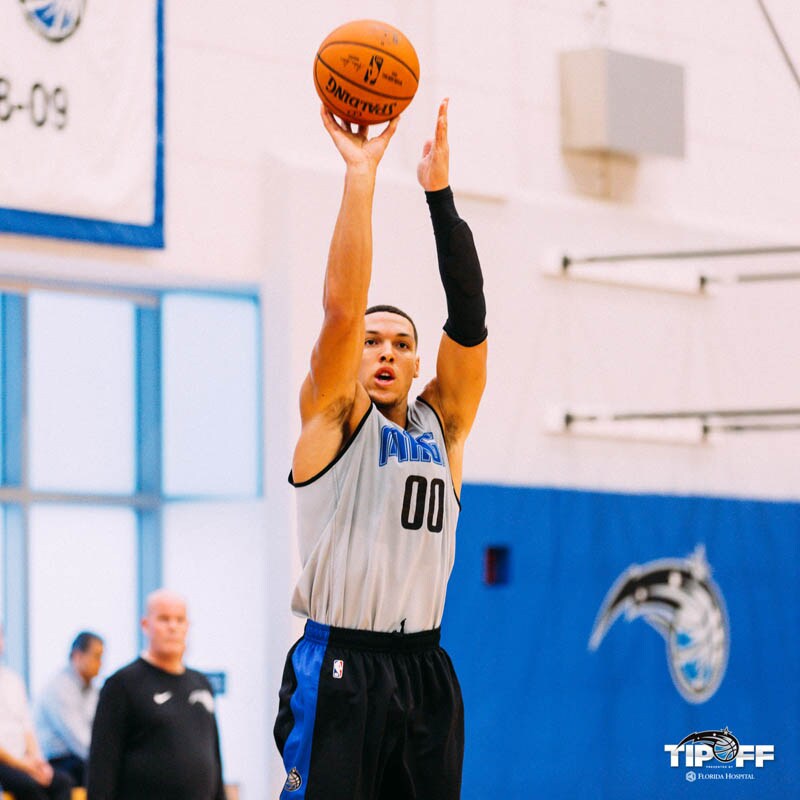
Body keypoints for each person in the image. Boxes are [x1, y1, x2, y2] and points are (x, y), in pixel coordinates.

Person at [273, 98, 487, 799]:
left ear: (418, 362)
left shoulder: (443, 426)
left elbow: (470, 318)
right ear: (353, 357)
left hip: (424, 667)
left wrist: (439, 198)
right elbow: (342, 308)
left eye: (401, 343)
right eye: (372, 342)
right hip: (342, 661)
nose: (386, 352)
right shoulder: (332, 417)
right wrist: (361, 175)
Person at [86, 589, 226, 800]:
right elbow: (102, 765)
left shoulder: (201, 684)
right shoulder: (122, 684)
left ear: (188, 626)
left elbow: (214, 757)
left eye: (179, 620)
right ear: (145, 625)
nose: (172, 627)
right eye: (164, 619)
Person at [0, 625, 74, 800]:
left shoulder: (13, 680)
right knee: (31, 787)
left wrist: (38, 761)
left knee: (63, 782)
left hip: (24, 758)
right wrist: (23, 765)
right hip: (5, 762)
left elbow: (27, 726)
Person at [35, 631, 104, 786]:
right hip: (58, 760)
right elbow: (79, 741)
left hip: (80, 757)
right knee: (103, 773)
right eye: (96, 657)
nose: (100, 664)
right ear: (77, 656)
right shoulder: (59, 689)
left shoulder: (92, 689)